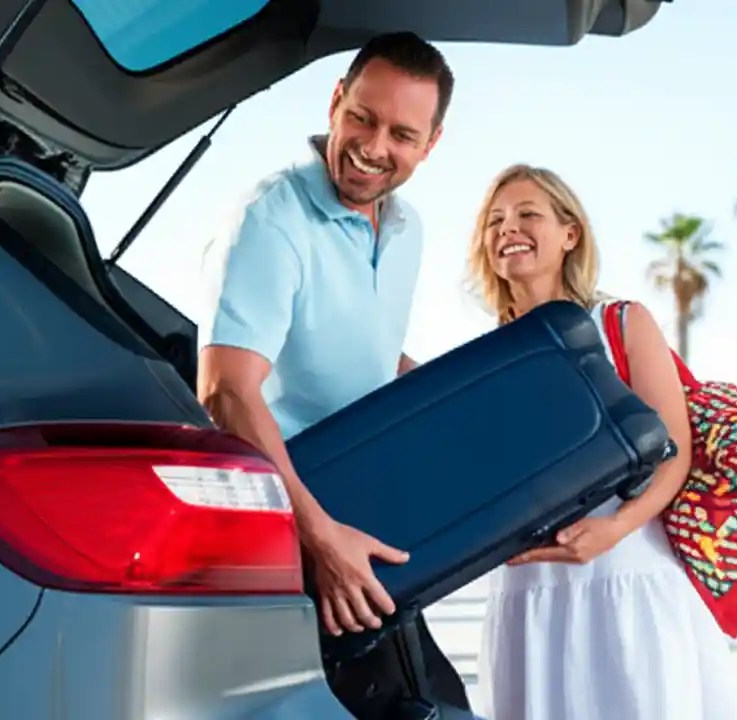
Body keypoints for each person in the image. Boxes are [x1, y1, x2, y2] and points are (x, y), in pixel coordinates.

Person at [196, 31, 468, 716]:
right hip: (293, 540)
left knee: (432, 701)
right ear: (334, 101)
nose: (375, 147)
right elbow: (227, 389)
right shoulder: (272, 217)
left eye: (403, 134)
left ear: (431, 144)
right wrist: (321, 539)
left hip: (367, 524)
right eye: (362, 118)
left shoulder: (407, 231)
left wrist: (468, 405)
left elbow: (374, 354)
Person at [465, 163, 737, 720]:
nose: (507, 229)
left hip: (627, 576)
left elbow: (676, 452)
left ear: (570, 234)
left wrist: (615, 529)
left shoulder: (621, 322)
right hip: (528, 596)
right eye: (494, 221)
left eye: (527, 214)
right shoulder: (483, 356)